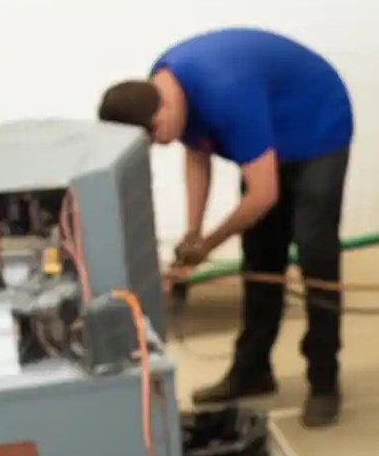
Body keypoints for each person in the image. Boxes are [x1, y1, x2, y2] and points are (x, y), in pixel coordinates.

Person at [98, 27, 353, 427]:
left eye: (155, 138)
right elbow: (196, 152)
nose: (159, 146)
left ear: (161, 113)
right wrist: (193, 232)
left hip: (316, 125)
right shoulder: (162, 85)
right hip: (267, 134)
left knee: (315, 250)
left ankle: (324, 380)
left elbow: (263, 193)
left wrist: (209, 246)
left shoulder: (226, 93)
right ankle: (252, 370)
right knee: (260, 254)